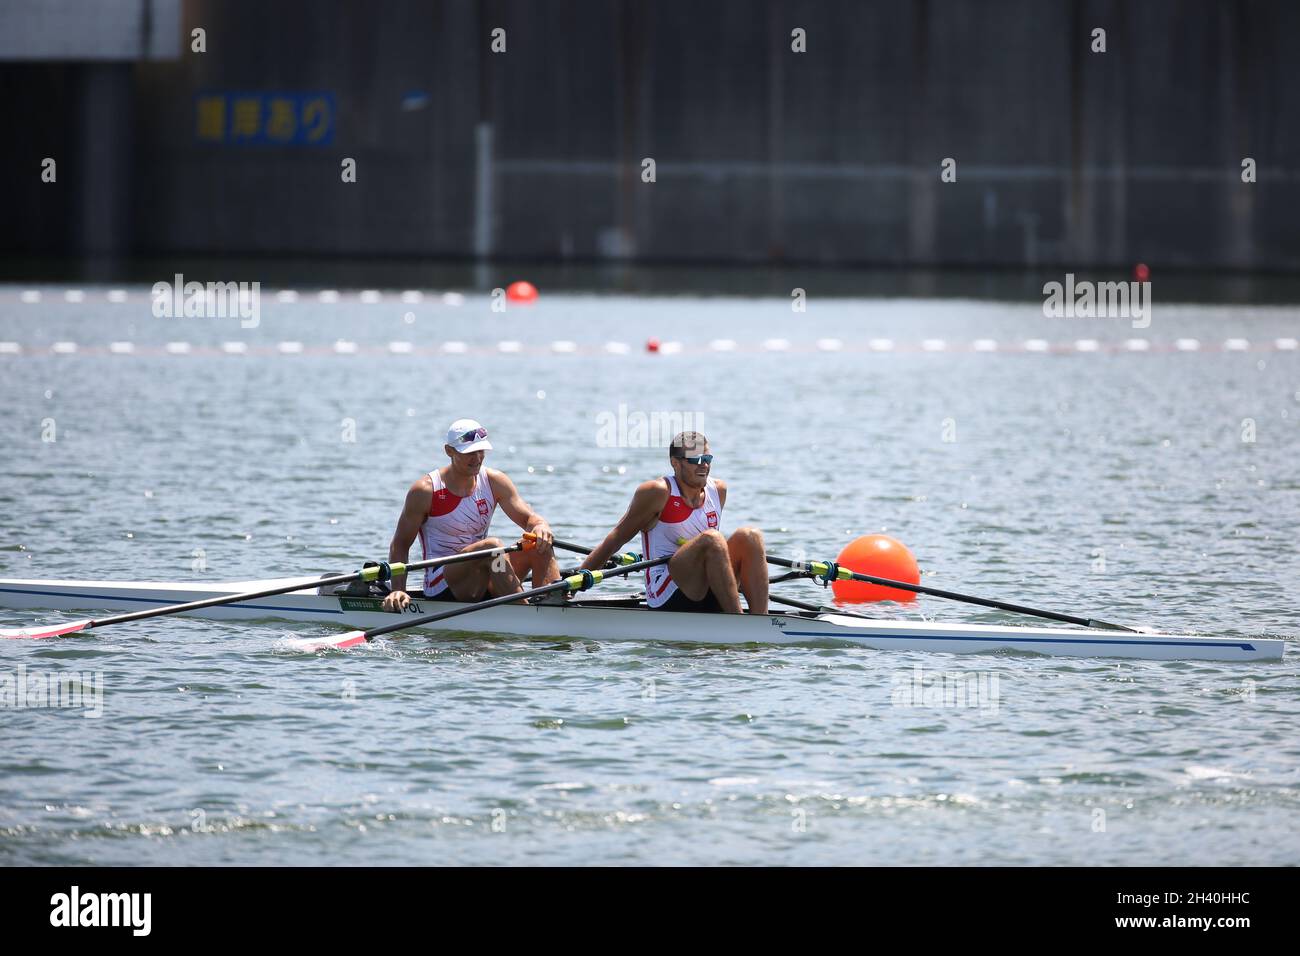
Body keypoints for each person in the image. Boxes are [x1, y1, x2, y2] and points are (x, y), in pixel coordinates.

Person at [580, 431, 767, 613]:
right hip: (666, 591)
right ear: (675, 463)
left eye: (707, 459)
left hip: (708, 583)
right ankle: (738, 623)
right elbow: (616, 538)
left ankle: (762, 622)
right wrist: (578, 581)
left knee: (751, 536)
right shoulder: (657, 492)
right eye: (695, 460)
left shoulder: (718, 490)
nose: (703, 466)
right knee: (712, 539)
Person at [382, 419, 557, 610]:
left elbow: (529, 518)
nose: (477, 458)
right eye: (469, 453)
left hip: (484, 572)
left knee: (538, 542)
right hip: (443, 583)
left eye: (480, 451)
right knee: (493, 546)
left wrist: (540, 526)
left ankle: (551, 603)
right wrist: (397, 590)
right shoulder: (425, 491)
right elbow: (399, 544)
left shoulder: (494, 481)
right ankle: (527, 613)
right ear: (449, 451)